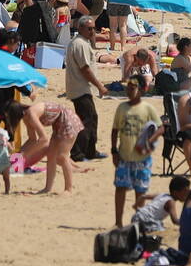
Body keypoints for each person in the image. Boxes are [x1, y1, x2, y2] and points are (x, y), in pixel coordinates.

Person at [111, 76, 163, 227]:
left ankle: (138, 222)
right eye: (127, 87)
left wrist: (149, 141)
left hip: (143, 158)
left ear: (141, 90)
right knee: (120, 188)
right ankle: (118, 222)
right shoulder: (122, 108)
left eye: (132, 88)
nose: (128, 91)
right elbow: (115, 130)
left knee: (140, 192)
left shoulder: (147, 109)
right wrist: (114, 151)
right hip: (124, 156)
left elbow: (160, 128)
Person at [66, 15, 107, 161]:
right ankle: (78, 153)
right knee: (87, 120)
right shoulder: (80, 44)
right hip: (80, 88)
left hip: (81, 88)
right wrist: (99, 85)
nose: (92, 32)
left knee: (90, 118)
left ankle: (90, 151)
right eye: (89, 29)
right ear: (81, 28)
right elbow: (85, 69)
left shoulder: (81, 42)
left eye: (94, 29)